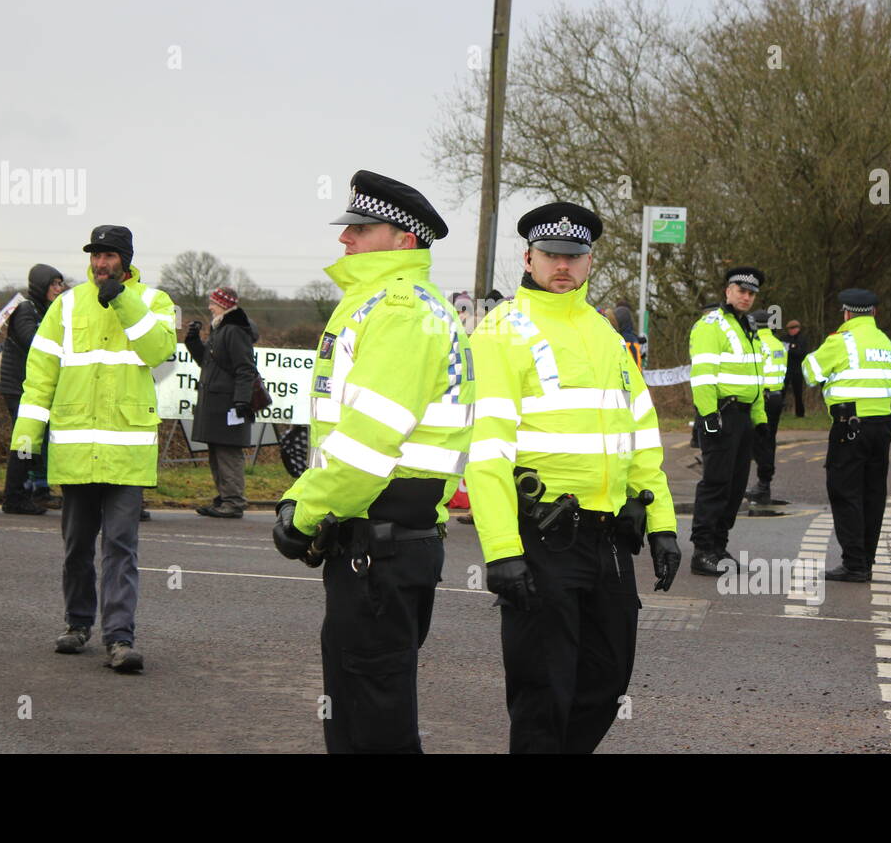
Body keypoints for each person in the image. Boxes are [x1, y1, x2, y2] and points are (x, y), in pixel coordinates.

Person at [465, 202, 680, 754]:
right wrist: (501, 551)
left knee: (606, 680)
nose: (563, 266)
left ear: (590, 261)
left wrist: (660, 524)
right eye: (552, 255)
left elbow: (641, 434)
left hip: (608, 538)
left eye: (575, 256)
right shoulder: (499, 332)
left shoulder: (606, 334)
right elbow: (486, 452)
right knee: (544, 692)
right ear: (529, 257)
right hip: (541, 538)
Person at [270, 170, 472, 753]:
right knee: (361, 714)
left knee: (375, 724)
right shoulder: (384, 305)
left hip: (378, 542)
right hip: (379, 537)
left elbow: (367, 443)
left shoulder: (400, 312)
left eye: (360, 227)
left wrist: (302, 512)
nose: (345, 238)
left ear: (403, 240)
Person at [11, 225, 176, 672]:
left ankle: (120, 639)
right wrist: (27, 434)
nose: (100, 263)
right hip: (76, 448)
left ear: (125, 260)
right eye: (95, 255)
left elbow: (159, 351)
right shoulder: (64, 305)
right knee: (77, 544)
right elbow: (41, 371)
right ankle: (77, 623)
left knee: (121, 545)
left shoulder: (155, 302)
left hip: (127, 451)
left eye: (109, 256)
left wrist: (121, 300)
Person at [802, 289, 891, 582]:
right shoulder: (885, 342)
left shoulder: (840, 341)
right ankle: (866, 559)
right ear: (874, 313)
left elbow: (809, 373)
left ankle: (854, 564)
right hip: (882, 426)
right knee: (873, 493)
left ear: (846, 314)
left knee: (845, 492)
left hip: (850, 426)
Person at [687, 267, 768, 575]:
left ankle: (719, 546)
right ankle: (702, 550)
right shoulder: (712, 325)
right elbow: (703, 375)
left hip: (744, 415)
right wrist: (708, 416)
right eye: (741, 290)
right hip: (722, 413)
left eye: (751, 293)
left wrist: (760, 419)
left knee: (735, 487)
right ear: (728, 291)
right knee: (716, 484)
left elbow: (756, 377)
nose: (746, 296)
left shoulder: (748, 326)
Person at [185, 286, 259, 518]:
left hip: (228, 403)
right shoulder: (222, 329)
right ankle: (224, 497)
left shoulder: (234, 330)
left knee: (228, 454)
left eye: (214, 303)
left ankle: (234, 501)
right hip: (216, 403)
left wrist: (241, 402)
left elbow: (245, 368)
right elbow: (208, 362)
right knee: (217, 452)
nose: (210, 307)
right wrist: (193, 341)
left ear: (224, 305)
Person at [0, 264, 64, 514]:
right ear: (40, 285)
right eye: (54, 284)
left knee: (36, 442)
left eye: (60, 284)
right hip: (19, 387)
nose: (59, 289)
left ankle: (38, 491)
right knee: (25, 443)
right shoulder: (25, 309)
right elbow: (34, 342)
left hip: (34, 388)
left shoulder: (44, 309)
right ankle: (14, 497)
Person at [746, 309, 789, 504]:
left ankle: (762, 485)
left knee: (758, 442)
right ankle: (765, 483)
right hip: (777, 396)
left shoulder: (756, 344)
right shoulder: (778, 344)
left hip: (761, 398)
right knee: (769, 440)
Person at [782, 319, 809, 417]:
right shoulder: (784, 338)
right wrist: (792, 348)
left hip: (798, 370)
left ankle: (800, 414)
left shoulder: (802, 339)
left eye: (794, 328)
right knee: (781, 392)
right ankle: (779, 412)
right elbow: (781, 352)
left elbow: (801, 353)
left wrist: (790, 350)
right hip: (785, 369)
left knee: (798, 393)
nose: (792, 330)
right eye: (790, 329)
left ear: (798, 329)